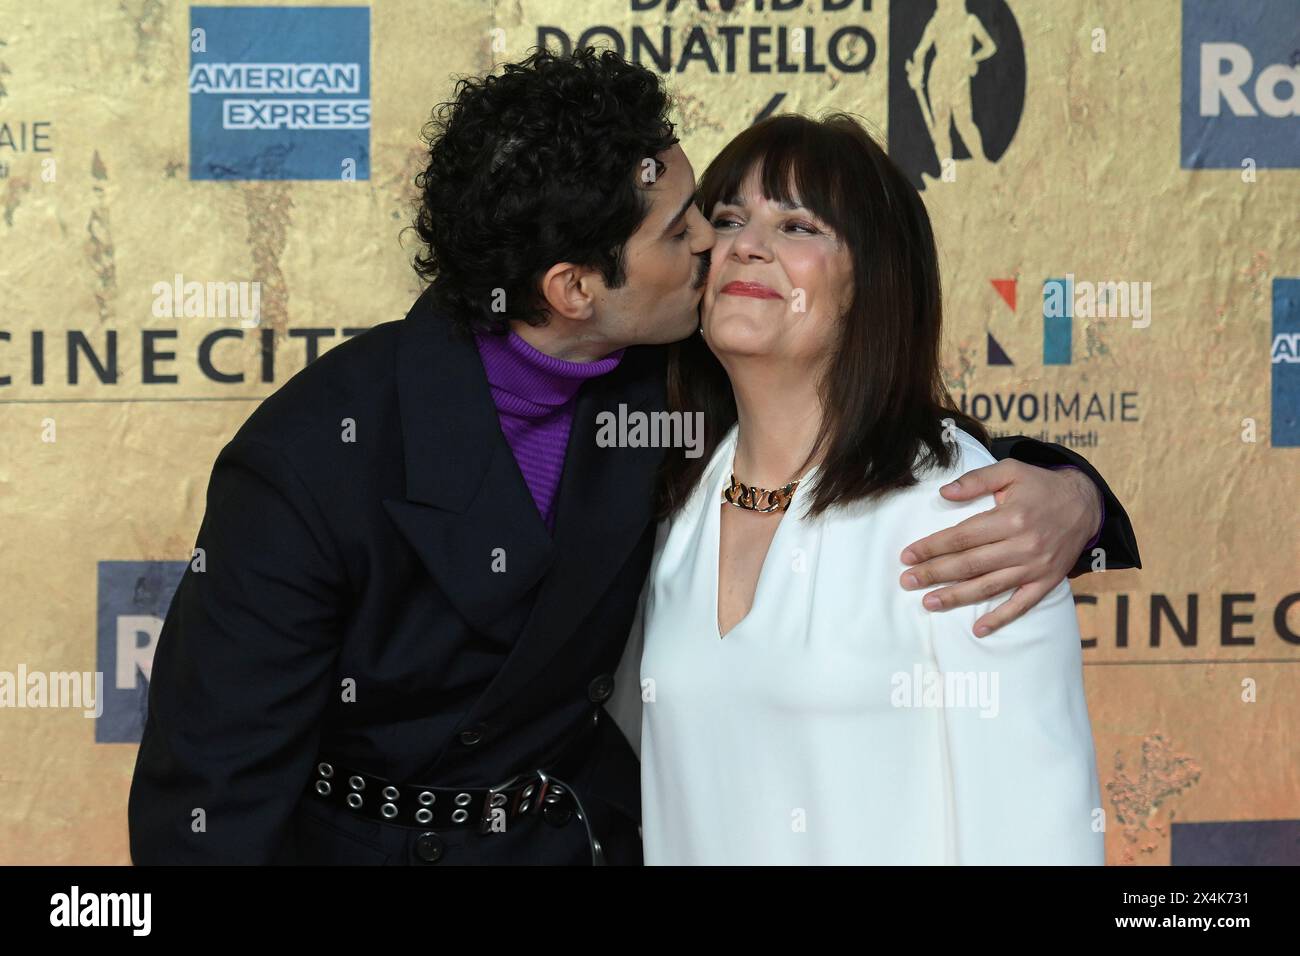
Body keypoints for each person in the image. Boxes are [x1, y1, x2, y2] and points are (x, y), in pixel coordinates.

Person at [128, 48, 1138, 866]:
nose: (719, 244)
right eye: (696, 225)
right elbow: (210, 795)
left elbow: (866, 435)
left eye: (747, 216)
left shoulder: (671, 391)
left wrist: (1076, 497)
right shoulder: (316, 452)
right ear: (575, 287)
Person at [608, 113, 1110, 865]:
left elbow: (1041, 833)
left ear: (873, 280)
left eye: (798, 226)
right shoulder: (669, 498)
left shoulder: (969, 509)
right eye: (728, 219)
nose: (747, 244)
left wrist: (1083, 497)